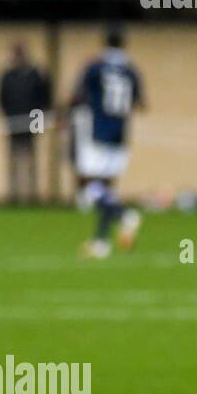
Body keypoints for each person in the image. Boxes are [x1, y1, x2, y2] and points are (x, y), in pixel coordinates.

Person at [69, 29, 144, 259]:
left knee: (87, 187)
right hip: (120, 135)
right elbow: (140, 104)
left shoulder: (95, 67)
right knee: (106, 190)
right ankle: (100, 244)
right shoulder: (131, 70)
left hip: (97, 132)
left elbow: (77, 95)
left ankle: (125, 216)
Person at [0, 43, 51, 204]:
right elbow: (2, 98)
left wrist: (39, 121)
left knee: (30, 160)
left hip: (32, 121)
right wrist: (8, 118)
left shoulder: (35, 75)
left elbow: (44, 98)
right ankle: (13, 195)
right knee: (13, 159)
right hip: (13, 122)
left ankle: (32, 194)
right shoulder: (7, 75)